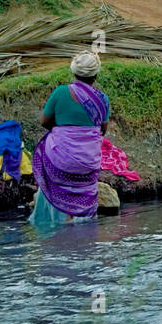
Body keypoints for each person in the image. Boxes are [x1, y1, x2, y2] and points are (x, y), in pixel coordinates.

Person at [29, 51, 109, 225]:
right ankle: (79, 226)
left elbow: (44, 121)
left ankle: (61, 219)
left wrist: (61, 131)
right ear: (95, 74)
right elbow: (102, 130)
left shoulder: (60, 92)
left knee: (45, 147)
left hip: (58, 166)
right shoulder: (103, 99)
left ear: (74, 72)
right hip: (87, 167)